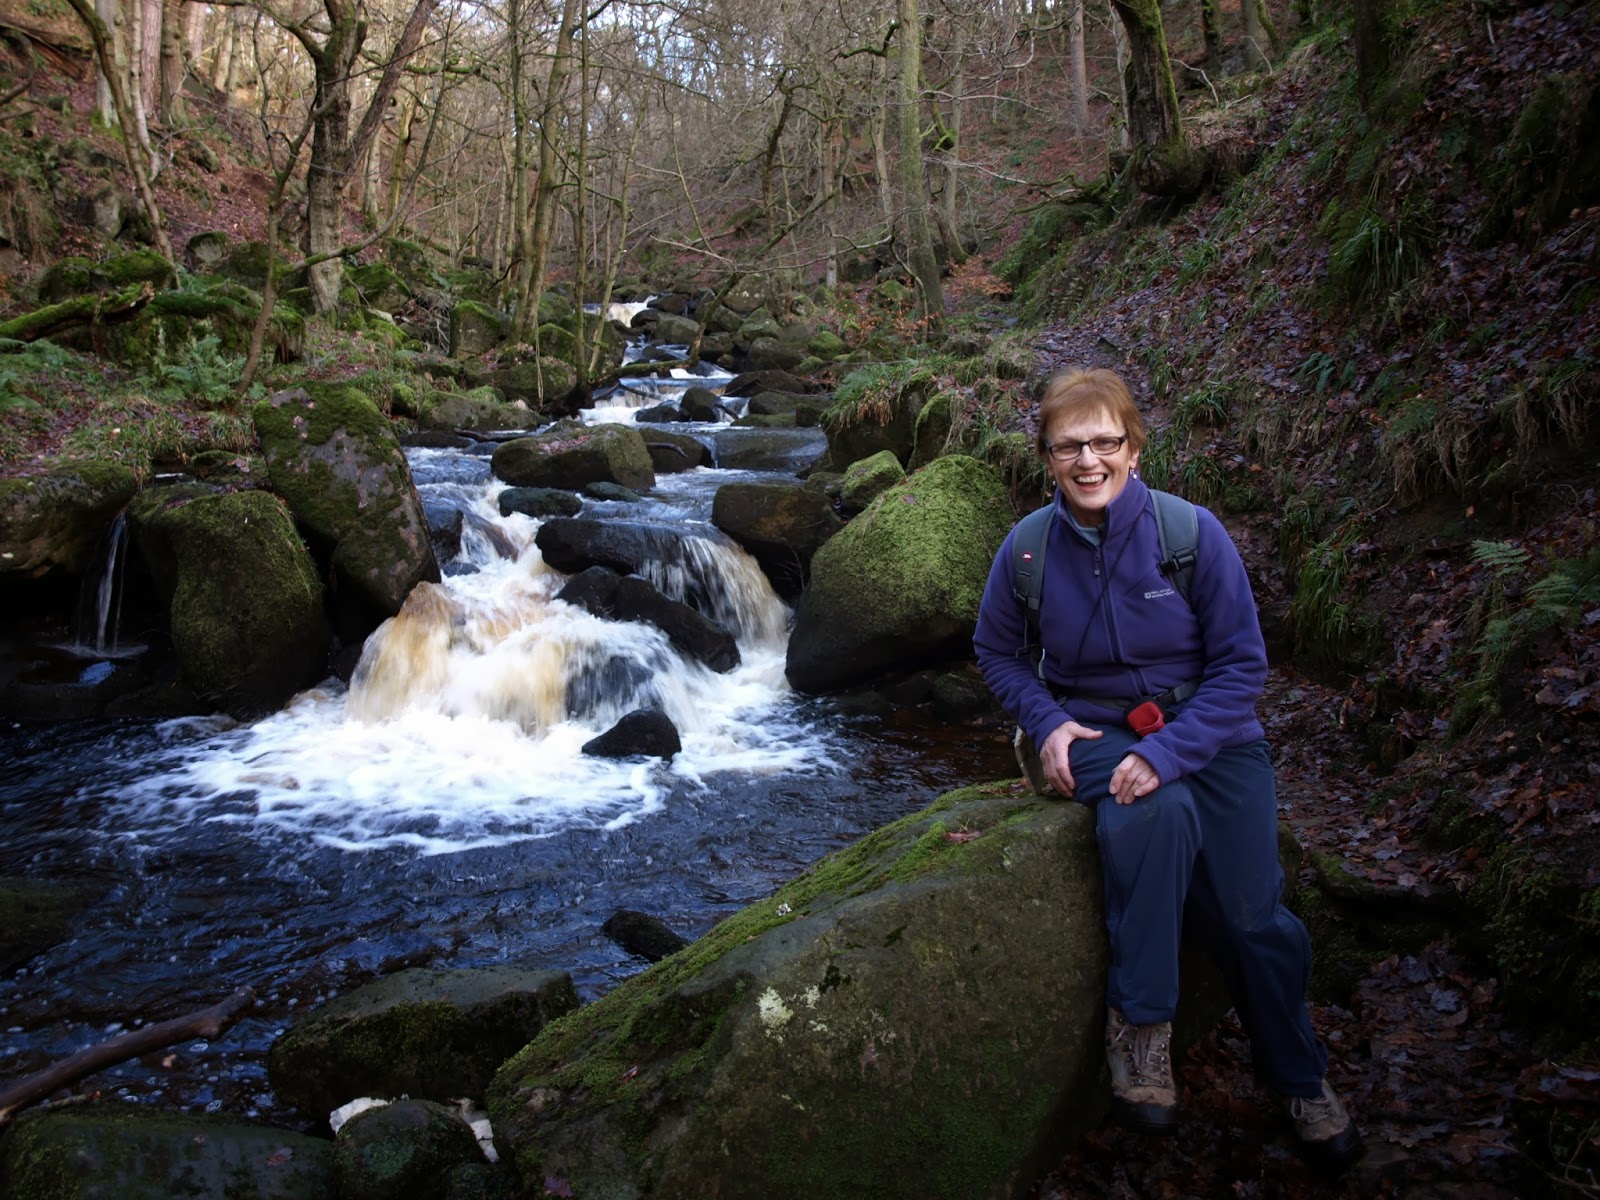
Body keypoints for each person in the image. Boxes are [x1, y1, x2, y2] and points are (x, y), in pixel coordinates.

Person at [971, 367, 1362, 1170]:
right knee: (1157, 813)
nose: (1088, 460)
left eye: (1105, 441)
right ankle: (1140, 1027)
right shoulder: (1027, 550)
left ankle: (1298, 1075)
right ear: (1046, 456)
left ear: (1135, 449)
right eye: (1069, 445)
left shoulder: (1191, 535)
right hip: (1091, 728)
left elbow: (1243, 666)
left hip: (1210, 730)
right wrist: (1044, 721)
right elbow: (996, 652)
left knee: (1254, 915)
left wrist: (1170, 751)